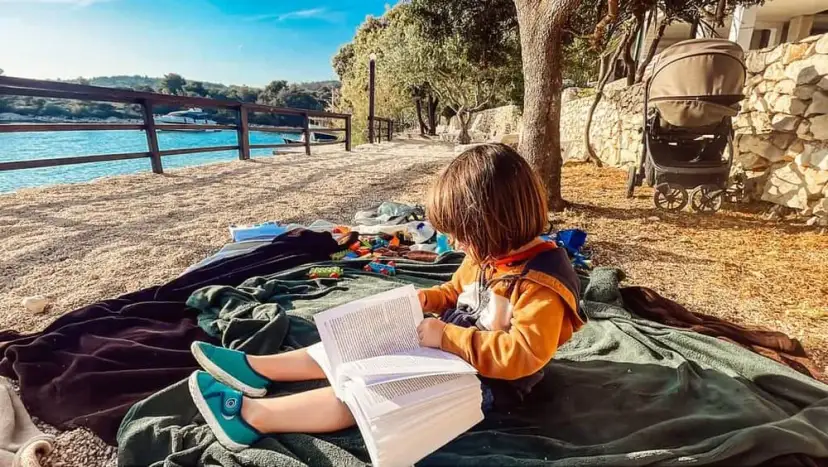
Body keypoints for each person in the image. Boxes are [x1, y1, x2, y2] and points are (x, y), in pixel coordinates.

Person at [187, 143, 584, 451]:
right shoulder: (493, 252)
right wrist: (422, 301)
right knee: (359, 339)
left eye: (465, 235)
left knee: (373, 392)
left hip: (489, 383)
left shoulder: (541, 283)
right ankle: (259, 369)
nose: (458, 245)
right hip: (449, 347)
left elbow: (521, 355)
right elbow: (453, 292)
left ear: (496, 225)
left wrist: (446, 338)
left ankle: (254, 417)